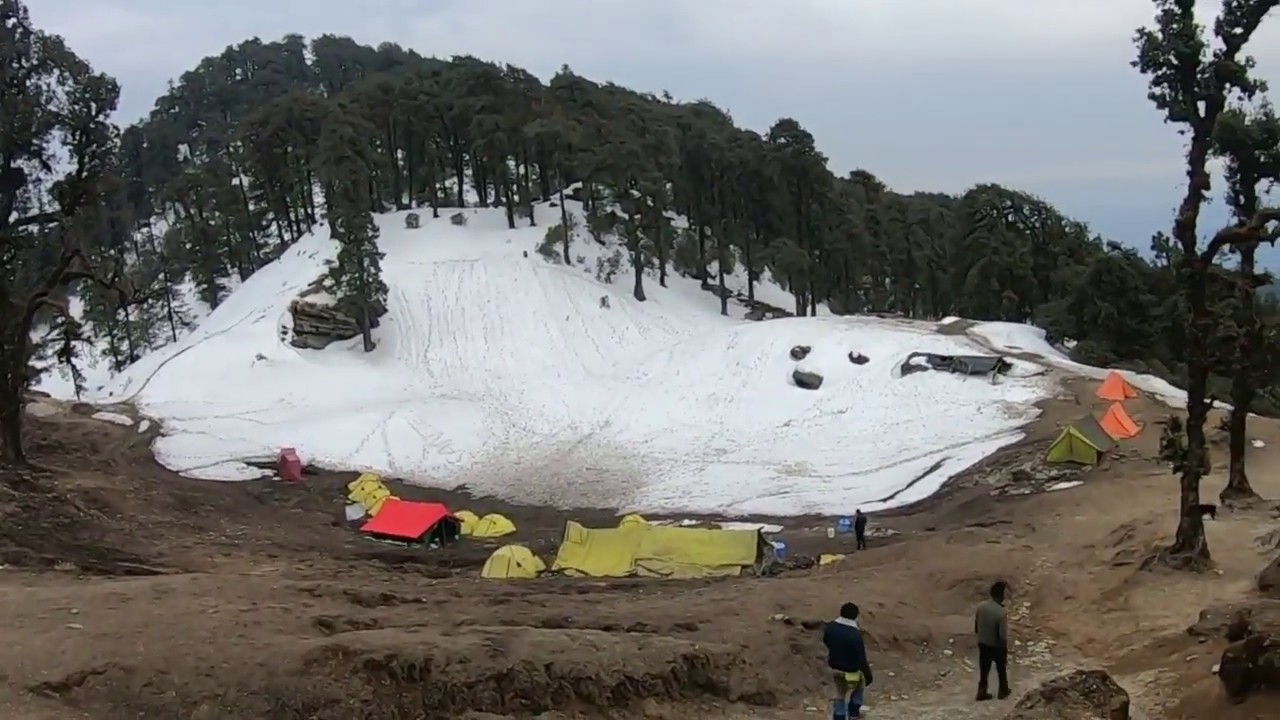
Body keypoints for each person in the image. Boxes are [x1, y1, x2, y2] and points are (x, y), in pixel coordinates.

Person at [822, 602, 873, 719]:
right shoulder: (855, 634)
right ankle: (853, 714)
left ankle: (839, 717)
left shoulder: (830, 628)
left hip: (834, 668)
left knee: (839, 695)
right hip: (852, 671)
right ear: (855, 616)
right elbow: (860, 657)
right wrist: (867, 674)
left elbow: (826, 642)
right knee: (858, 691)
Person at [974, 580, 1011, 701]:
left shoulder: (981, 607)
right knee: (1001, 669)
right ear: (1002, 595)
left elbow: (976, 626)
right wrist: (1004, 647)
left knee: (984, 670)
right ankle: (1003, 690)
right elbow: (1002, 635)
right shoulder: (1001, 612)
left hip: (983, 643)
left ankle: (981, 691)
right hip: (995, 645)